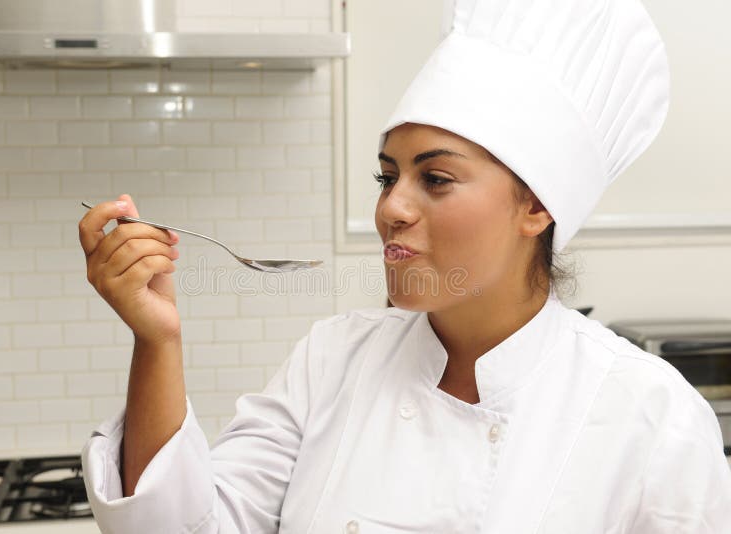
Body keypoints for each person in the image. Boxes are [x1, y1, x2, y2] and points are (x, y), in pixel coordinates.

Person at [78, 0, 731, 532]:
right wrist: (156, 338)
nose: (391, 208)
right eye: (386, 176)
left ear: (535, 205)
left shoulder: (653, 418)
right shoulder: (331, 359)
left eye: (436, 178)